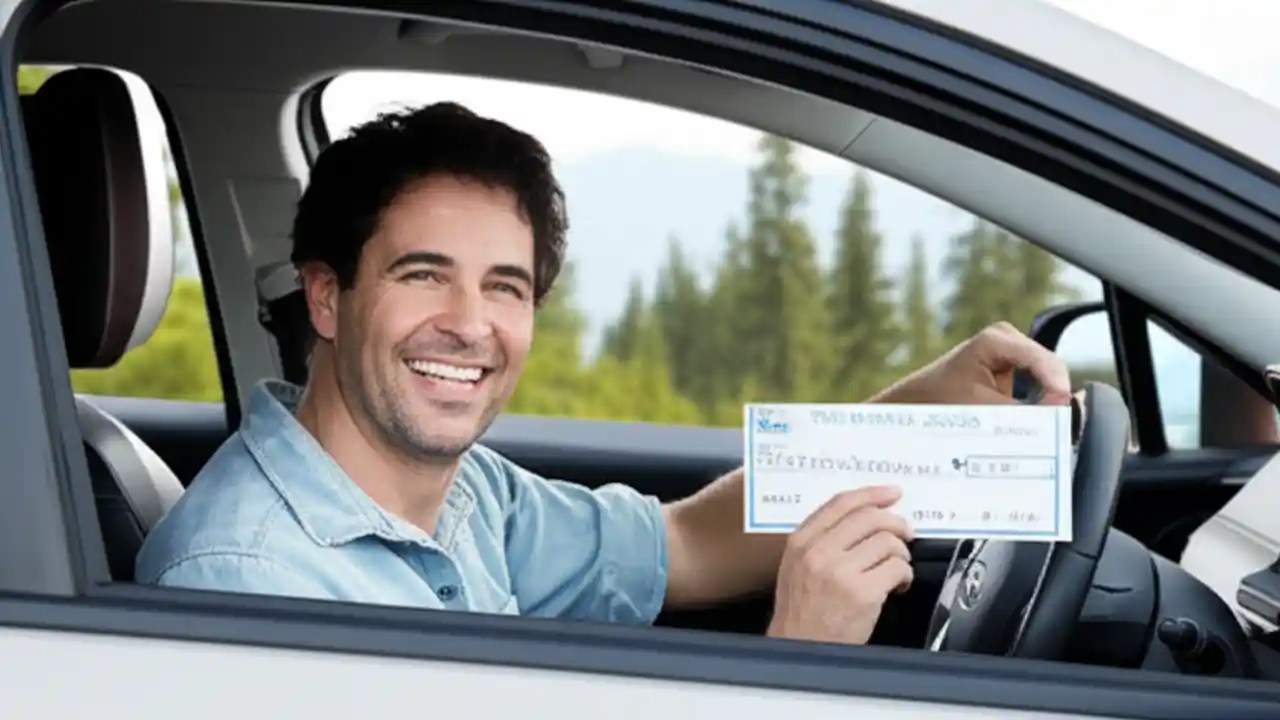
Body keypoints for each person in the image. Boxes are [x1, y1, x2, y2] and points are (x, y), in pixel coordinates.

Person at [135, 102, 1072, 646]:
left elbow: (686, 543)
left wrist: (926, 409)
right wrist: (799, 666)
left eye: (505, 287)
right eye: (424, 275)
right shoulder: (249, 582)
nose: (469, 326)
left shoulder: (459, 495)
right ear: (329, 298)